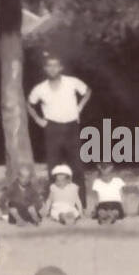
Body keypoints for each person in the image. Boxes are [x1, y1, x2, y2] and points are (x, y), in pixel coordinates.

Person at [27, 53, 91, 207]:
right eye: (49, 65)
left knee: (76, 166)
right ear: (45, 68)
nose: (52, 68)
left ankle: (81, 204)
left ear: (61, 67)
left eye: (55, 65)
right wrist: (38, 120)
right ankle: (53, 204)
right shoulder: (40, 88)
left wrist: (79, 107)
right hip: (52, 128)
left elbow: (87, 91)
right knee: (53, 166)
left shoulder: (71, 82)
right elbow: (29, 103)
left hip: (71, 127)